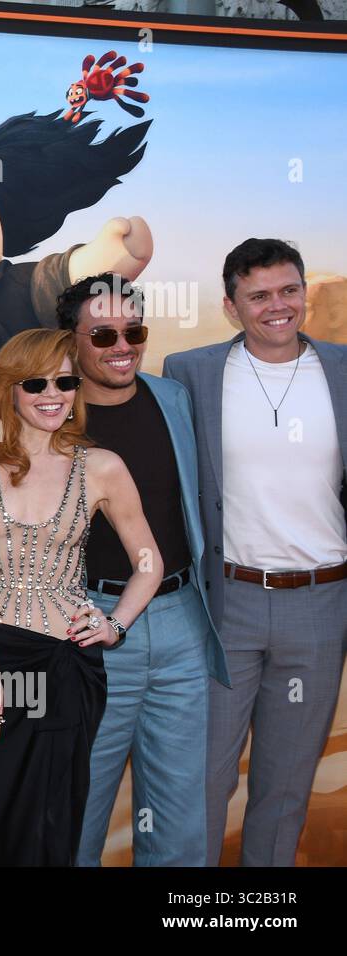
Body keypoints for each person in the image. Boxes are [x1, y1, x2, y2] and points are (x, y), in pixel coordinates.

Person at [0, 327, 161, 865]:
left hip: (65, 665)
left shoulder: (101, 466)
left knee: (50, 827)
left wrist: (116, 624)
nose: (53, 394)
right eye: (36, 382)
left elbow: (149, 563)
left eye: (65, 380)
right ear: (9, 387)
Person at [163, 238, 347, 866]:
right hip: (226, 604)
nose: (278, 305)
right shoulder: (192, 371)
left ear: (304, 293)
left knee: (287, 782)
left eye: (288, 290)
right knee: (204, 776)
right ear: (230, 305)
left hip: (321, 604)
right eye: (260, 295)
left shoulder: (344, 370)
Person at [55, 274, 229, 867]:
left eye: (133, 331)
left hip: (183, 623)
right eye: (102, 333)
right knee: (78, 809)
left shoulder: (172, 397)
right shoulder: (51, 412)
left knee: (181, 819)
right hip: (89, 627)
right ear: (70, 340)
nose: (121, 345)